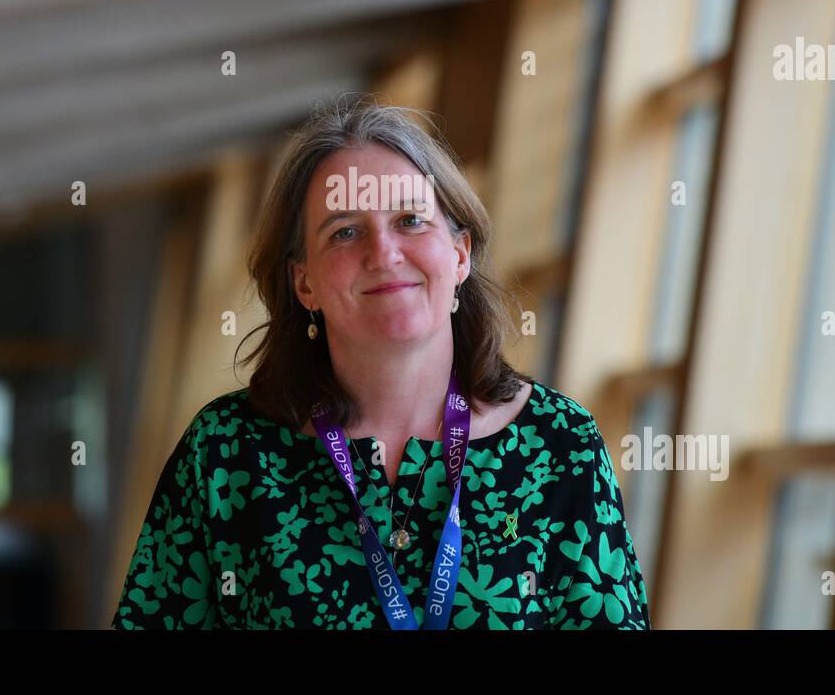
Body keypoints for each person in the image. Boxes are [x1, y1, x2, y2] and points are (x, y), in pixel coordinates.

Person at [111, 95, 650, 629]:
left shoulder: (560, 445)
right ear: (304, 282)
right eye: (345, 231)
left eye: (411, 220)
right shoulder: (226, 455)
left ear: (459, 254)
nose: (384, 253)